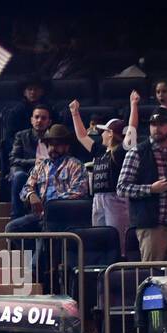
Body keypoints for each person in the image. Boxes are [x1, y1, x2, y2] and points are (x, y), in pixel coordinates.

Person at [117, 108, 167, 262]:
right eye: (153, 124)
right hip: (151, 226)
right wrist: (151, 189)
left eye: (161, 124)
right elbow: (121, 188)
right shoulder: (137, 152)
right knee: (152, 274)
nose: (156, 128)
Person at [4, 124, 89, 233]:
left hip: (65, 215)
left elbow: (78, 192)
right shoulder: (41, 166)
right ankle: (34, 250)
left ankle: (41, 249)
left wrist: (52, 206)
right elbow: (26, 187)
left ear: (66, 147)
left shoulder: (75, 165)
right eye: (50, 145)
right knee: (12, 228)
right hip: (41, 215)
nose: (53, 148)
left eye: (57, 145)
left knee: (48, 228)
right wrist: (31, 194)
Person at [69, 103, 128, 253]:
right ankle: (103, 266)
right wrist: (75, 113)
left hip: (114, 198)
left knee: (117, 236)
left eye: (103, 131)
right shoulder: (100, 151)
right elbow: (82, 136)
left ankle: (119, 263)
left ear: (110, 133)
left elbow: (131, 131)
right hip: (98, 197)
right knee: (99, 235)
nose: (100, 134)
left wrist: (133, 105)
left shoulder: (120, 152)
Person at [6, 103, 52, 221]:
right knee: (19, 175)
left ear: (49, 122)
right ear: (31, 120)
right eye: (36, 117)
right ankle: (16, 217)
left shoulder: (54, 137)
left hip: (48, 173)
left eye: (43, 118)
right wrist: (34, 162)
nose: (39, 120)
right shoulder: (22, 136)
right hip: (27, 171)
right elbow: (13, 159)